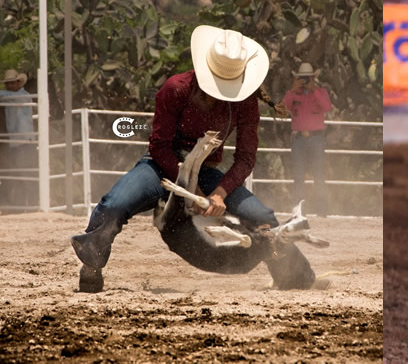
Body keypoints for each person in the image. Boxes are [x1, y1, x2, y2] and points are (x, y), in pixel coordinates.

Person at [71, 25, 319, 293]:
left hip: (208, 170)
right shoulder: (175, 89)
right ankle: (92, 265)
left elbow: (246, 157)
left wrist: (221, 193)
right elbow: (159, 145)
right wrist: (192, 190)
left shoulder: (245, 102)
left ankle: (296, 278)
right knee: (114, 205)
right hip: (161, 167)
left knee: (264, 217)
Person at [281, 62, 332, 211]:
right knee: (298, 175)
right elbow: (283, 109)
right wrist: (292, 89)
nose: (305, 81)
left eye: (307, 78)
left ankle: (322, 211)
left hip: (316, 138)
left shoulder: (321, 91)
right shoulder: (293, 93)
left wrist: (314, 90)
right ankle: (298, 210)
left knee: (319, 175)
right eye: (302, 78)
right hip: (299, 139)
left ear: (313, 78)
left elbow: (327, 107)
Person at [0, 69, 37, 200]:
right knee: (18, 175)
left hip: (24, 142)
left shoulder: (23, 96)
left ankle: (33, 204)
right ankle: (21, 206)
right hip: (17, 143)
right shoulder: (10, 96)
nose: (10, 86)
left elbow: (4, 96)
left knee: (27, 174)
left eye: (12, 83)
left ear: (18, 83)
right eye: (7, 84)